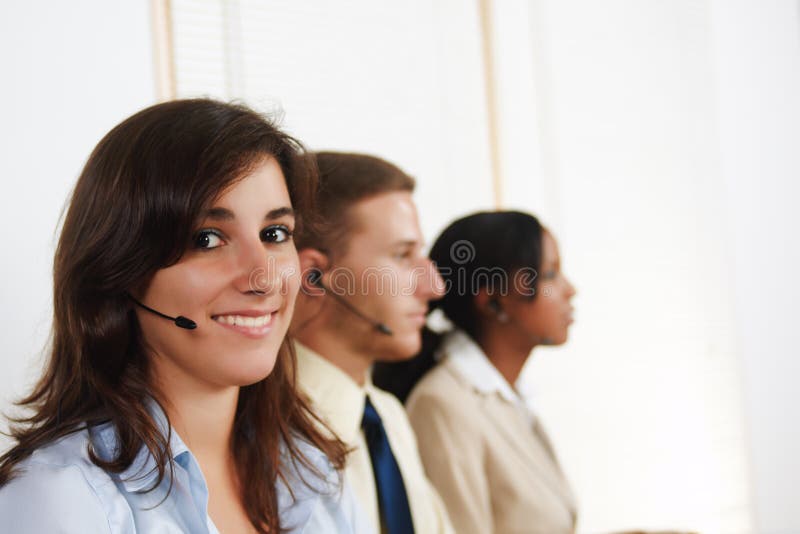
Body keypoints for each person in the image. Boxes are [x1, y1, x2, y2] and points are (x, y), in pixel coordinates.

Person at [0, 99, 365, 533]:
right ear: (121, 268)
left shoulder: (312, 473)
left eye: (274, 234)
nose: (264, 278)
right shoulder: (60, 498)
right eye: (207, 238)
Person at [374, 210, 579, 534]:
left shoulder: (505, 396)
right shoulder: (444, 405)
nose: (570, 289)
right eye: (551, 274)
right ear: (494, 302)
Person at [290, 152, 454, 534]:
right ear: (314, 277)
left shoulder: (388, 416)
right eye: (402, 255)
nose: (435, 286)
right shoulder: (268, 431)